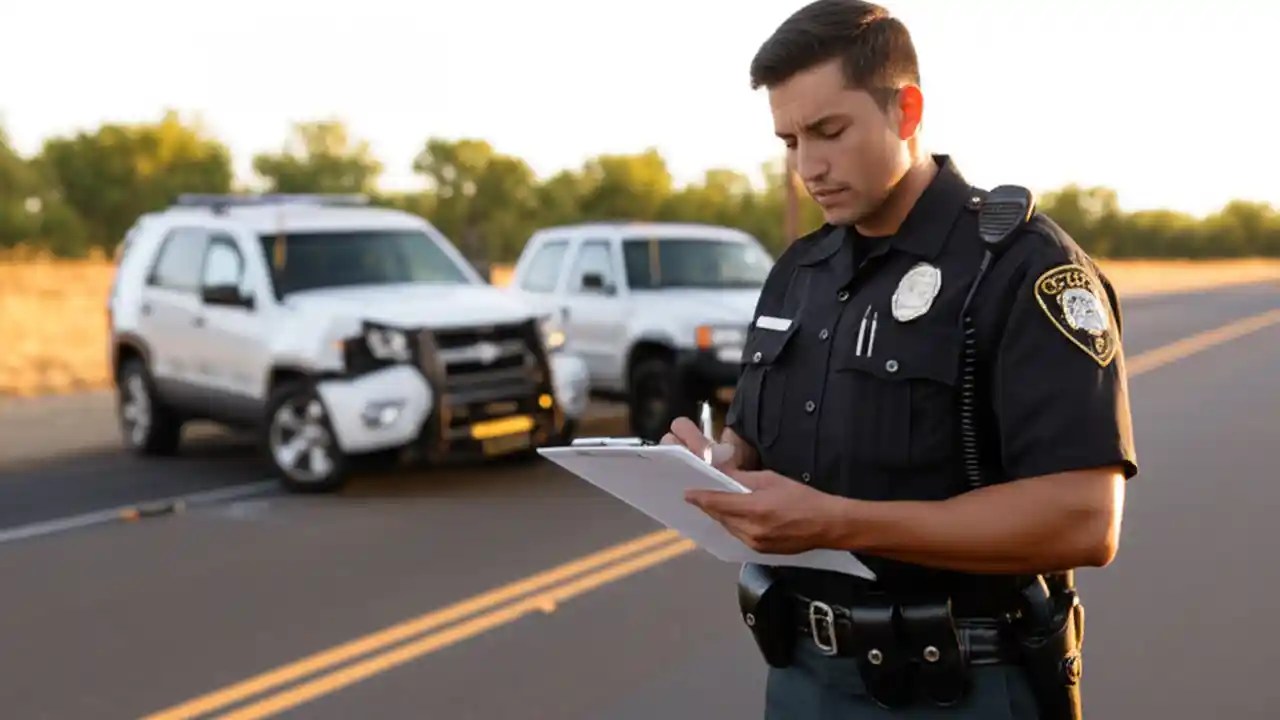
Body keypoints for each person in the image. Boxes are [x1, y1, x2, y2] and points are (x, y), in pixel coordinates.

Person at [660, 1, 1138, 717]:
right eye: (789, 140)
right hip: (800, 680)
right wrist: (717, 470)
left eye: (829, 131)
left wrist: (841, 522)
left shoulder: (1021, 267)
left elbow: (1082, 521)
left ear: (906, 110)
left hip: (963, 685)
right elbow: (755, 449)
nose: (807, 167)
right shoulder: (799, 270)